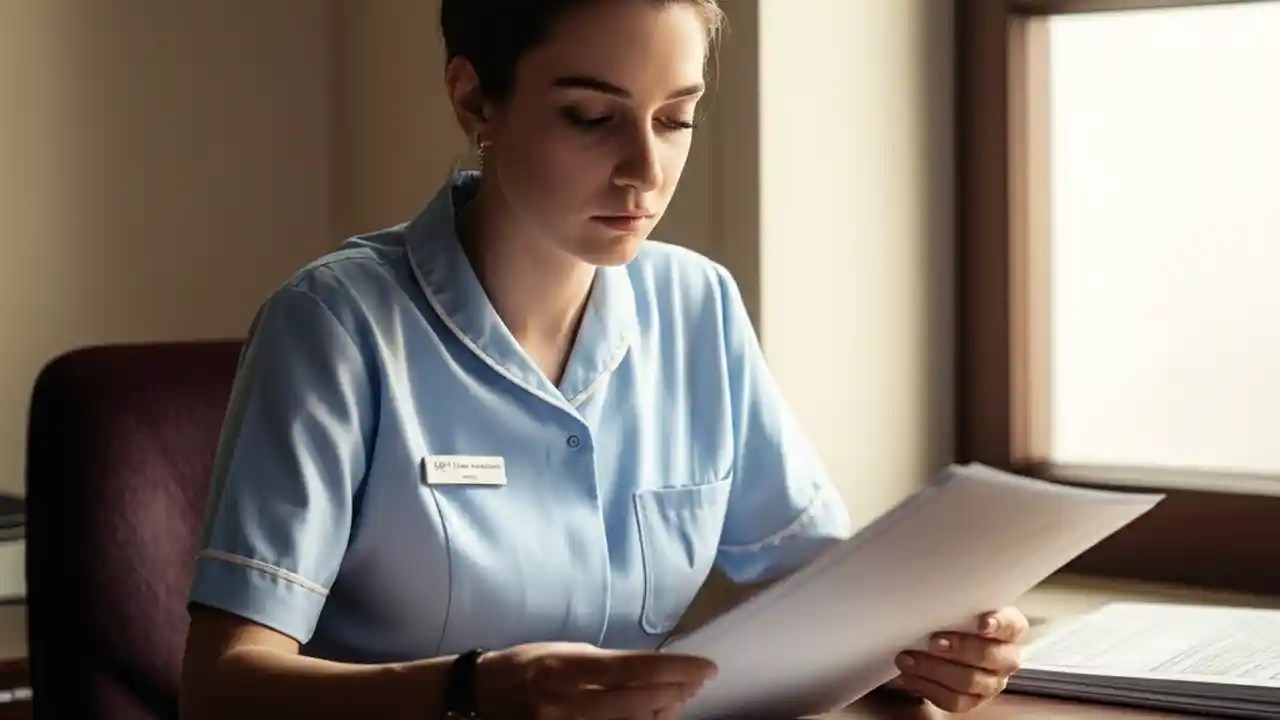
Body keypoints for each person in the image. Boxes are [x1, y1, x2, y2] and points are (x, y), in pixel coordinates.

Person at [179, 1, 1027, 718]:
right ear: (476, 100)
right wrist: (471, 690)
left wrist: (930, 645)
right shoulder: (334, 325)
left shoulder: (698, 306)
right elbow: (219, 686)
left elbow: (820, 589)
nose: (645, 172)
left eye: (676, 118)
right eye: (591, 117)